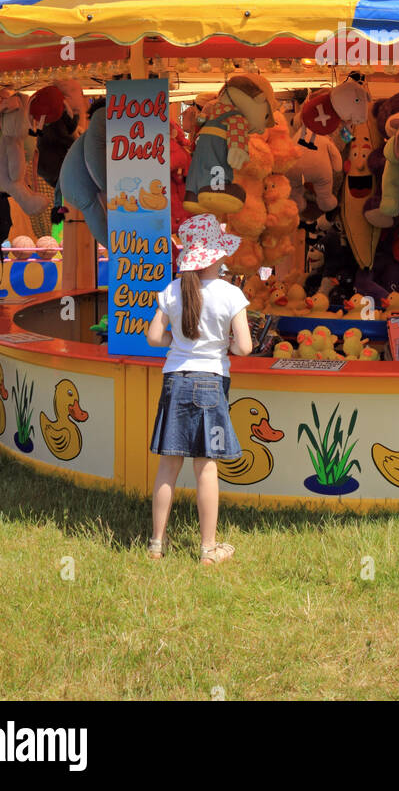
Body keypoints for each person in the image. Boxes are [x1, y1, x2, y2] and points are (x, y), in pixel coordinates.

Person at [145, 214, 252, 564]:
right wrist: (227, 345)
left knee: (168, 467)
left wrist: (177, 340)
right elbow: (245, 348)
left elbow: (154, 337)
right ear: (216, 256)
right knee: (206, 468)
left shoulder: (171, 291)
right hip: (211, 382)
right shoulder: (231, 294)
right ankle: (208, 550)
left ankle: (156, 546)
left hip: (175, 379)